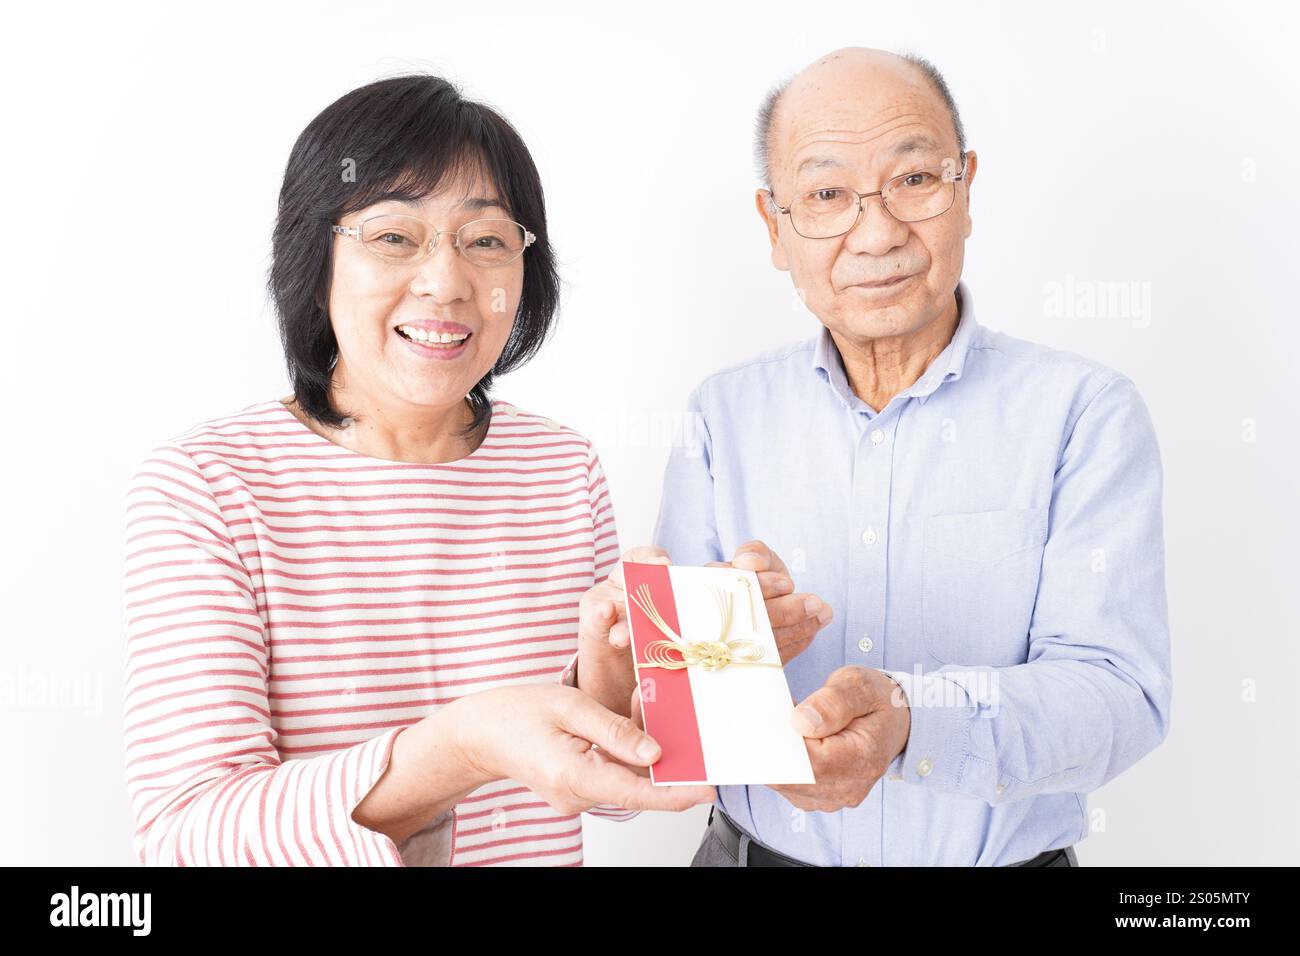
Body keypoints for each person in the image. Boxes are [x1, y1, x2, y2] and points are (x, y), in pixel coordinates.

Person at [120, 74, 721, 867]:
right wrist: (464, 746)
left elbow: (599, 794)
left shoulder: (559, 467)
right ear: (314, 256)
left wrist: (618, 694)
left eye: (486, 240)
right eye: (395, 236)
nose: (446, 282)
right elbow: (186, 835)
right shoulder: (206, 488)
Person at [654, 48, 1172, 866]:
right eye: (826, 195)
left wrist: (911, 722)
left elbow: (1120, 694)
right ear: (775, 228)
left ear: (965, 191)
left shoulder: (1084, 413)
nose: (877, 231)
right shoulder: (722, 416)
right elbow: (673, 716)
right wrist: (726, 653)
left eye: (915, 180)